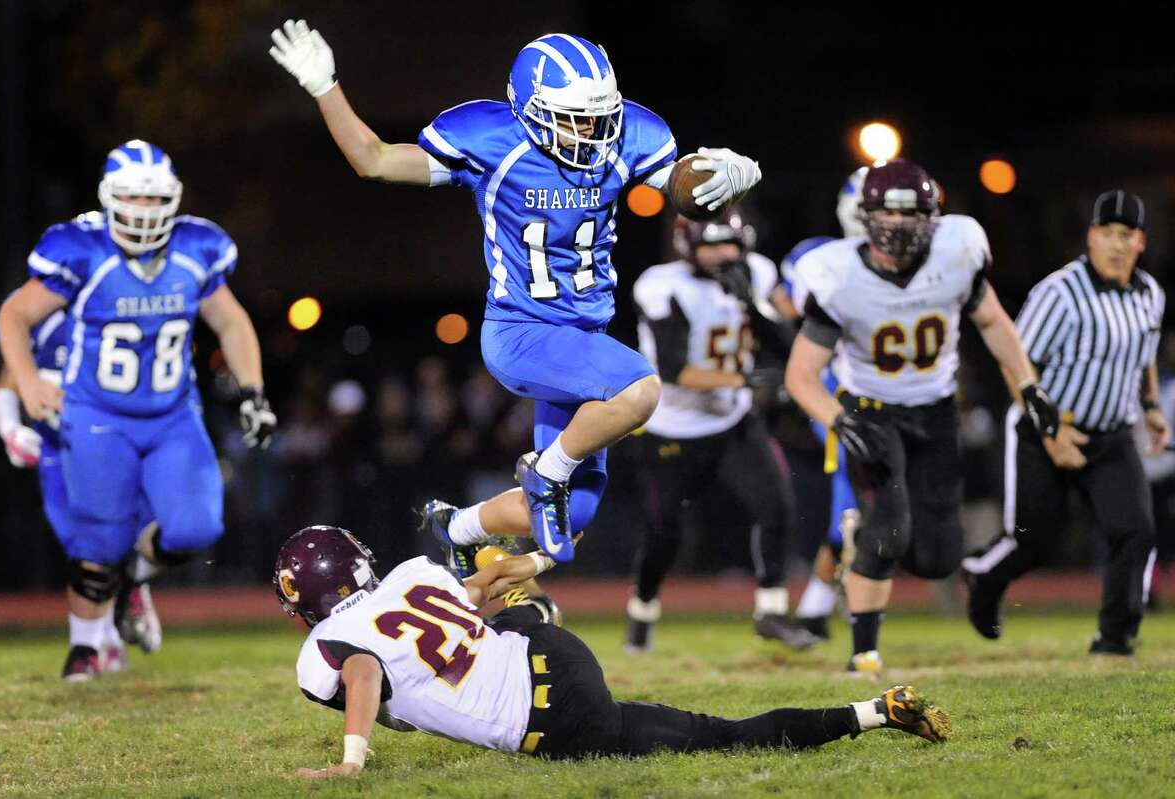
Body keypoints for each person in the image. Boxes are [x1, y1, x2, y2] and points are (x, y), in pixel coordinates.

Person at [268, 21, 762, 568]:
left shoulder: (628, 136)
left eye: (600, 116)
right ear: (531, 111)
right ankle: (544, 471)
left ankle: (454, 526)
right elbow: (376, 160)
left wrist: (724, 173)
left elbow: (685, 191)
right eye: (576, 119)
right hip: (522, 332)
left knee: (573, 520)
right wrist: (324, 87)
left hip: (583, 340)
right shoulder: (491, 140)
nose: (592, 131)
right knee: (641, 390)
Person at [274, 525, 950, 777]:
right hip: (554, 658)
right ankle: (873, 710)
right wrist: (523, 563)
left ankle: (531, 595)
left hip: (550, 714)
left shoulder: (326, 647)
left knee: (712, 739)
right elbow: (466, 597)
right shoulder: (411, 576)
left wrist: (352, 761)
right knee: (715, 736)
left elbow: (362, 668)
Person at [0, 140, 276, 680]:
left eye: (154, 200)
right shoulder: (82, 251)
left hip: (173, 417)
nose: (144, 212)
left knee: (196, 528)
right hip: (97, 416)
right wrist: (27, 383)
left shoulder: (197, 247)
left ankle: (134, 579)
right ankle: (84, 648)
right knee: (97, 543)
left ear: (172, 200)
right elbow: (12, 316)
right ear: (109, 199)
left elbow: (231, 322)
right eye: (133, 200)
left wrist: (253, 392)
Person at [783, 158, 1058, 674]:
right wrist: (839, 420)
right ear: (865, 217)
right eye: (888, 215)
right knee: (889, 528)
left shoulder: (957, 253)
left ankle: (865, 547)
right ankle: (863, 651)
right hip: (870, 412)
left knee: (938, 558)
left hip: (934, 412)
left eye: (912, 216)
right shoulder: (837, 274)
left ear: (932, 218)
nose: (900, 228)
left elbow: (994, 322)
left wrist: (1029, 385)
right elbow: (801, 375)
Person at [962, 190, 1167, 655]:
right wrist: (1051, 433)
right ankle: (982, 578)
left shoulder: (1150, 292)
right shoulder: (1060, 292)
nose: (1117, 244)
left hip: (1112, 433)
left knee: (1135, 531)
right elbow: (1016, 363)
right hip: (1044, 429)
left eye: (1126, 235)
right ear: (1092, 237)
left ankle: (1114, 642)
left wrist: (1151, 407)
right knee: (1035, 541)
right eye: (1108, 233)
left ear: (1140, 242)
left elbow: (1145, 351)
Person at [625, 210, 815, 651]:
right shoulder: (660, 284)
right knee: (663, 534)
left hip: (732, 421)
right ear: (687, 245)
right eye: (710, 244)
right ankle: (642, 609)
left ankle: (770, 610)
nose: (721, 254)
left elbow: (789, 345)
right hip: (672, 425)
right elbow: (672, 369)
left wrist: (753, 303)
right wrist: (743, 380)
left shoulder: (759, 272)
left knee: (778, 506)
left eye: (727, 243)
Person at [0, 307, 158, 676]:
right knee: (80, 548)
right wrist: (10, 430)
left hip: (115, 446)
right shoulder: (37, 313)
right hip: (58, 449)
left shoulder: (120, 303)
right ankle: (106, 636)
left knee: (109, 541)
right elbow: (6, 384)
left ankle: (115, 613)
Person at [777, 167, 868, 639]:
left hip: (884, 397)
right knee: (856, 507)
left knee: (855, 507)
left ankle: (815, 608)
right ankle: (859, 617)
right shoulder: (819, 257)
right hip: (836, 399)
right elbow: (784, 305)